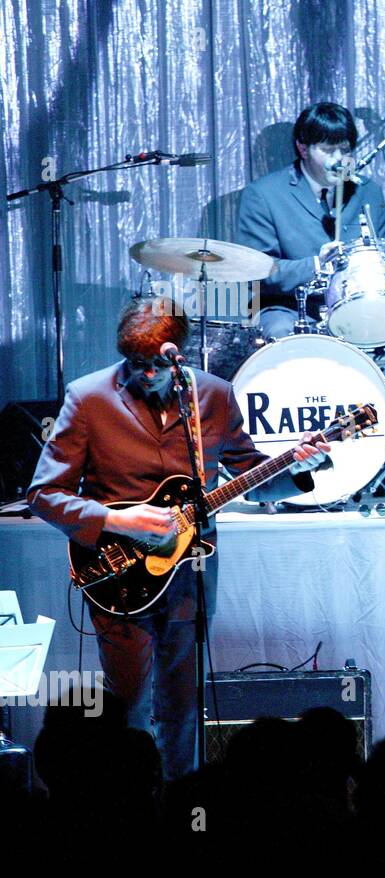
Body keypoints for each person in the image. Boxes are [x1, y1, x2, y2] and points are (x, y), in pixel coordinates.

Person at [27, 296, 331, 780]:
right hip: (118, 572)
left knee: (183, 703)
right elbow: (44, 493)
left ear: (178, 354)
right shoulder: (88, 397)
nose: (145, 376)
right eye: (136, 365)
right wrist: (117, 520)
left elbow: (250, 475)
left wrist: (299, 468)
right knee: (128, 703)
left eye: (155, 365)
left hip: (191, 570)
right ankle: (125, 802)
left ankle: (182, 805)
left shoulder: (212, 395)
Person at [235, 102, 385, 329]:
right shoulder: (264, 194)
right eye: (328, 151)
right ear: (303, 149)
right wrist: (317, 265)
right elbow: (258, 271)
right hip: (291, 308)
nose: (339, 159)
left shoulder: (369, 191)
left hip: (360, 306)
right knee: (280, 331)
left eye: (346, 150)